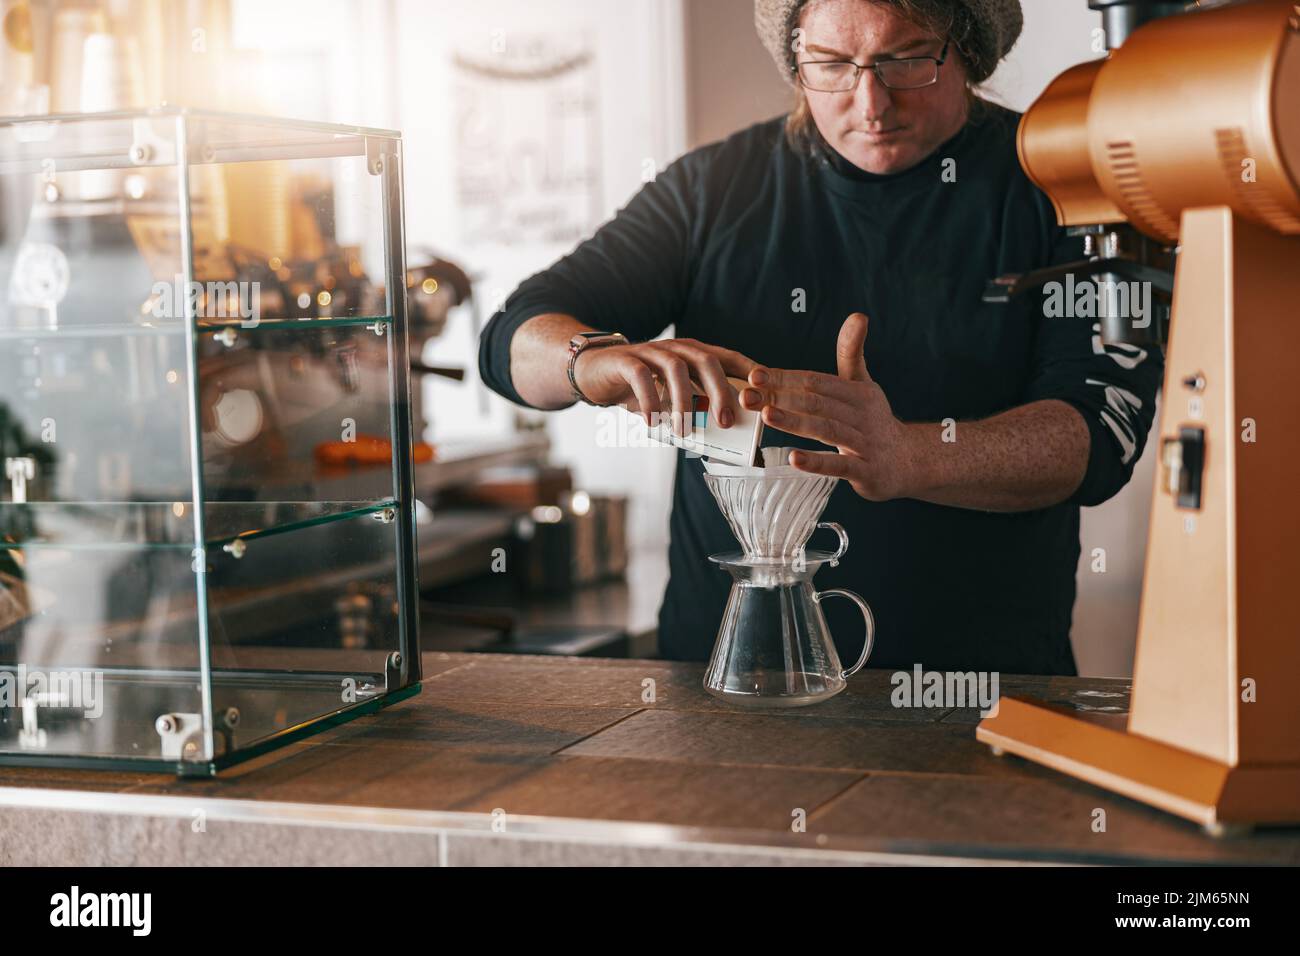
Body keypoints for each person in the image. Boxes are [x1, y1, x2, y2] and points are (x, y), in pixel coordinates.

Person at [478, 0, 1162, 675]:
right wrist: (590, 360)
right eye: (833, 64)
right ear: (795, 59)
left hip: (984, 697)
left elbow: (1101, 433)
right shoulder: (711, 189)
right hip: (722, 689)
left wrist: (909, 456)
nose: (871, 102)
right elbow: (512, 339)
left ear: (969, 51)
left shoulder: (1069, 185)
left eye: (906, 60)